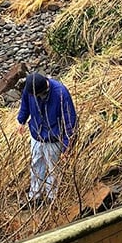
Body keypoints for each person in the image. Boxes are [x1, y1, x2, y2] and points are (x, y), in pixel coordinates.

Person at [17, 72, 77, 203]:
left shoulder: (61, 93)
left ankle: (52, 198)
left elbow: (70, 121)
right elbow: (25, 103)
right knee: (36, 164)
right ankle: (35, 196)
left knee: (53, 169)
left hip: (54, 138)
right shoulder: (30, 88)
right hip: (36, 134)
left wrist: (67, 146)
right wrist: (21, 120)